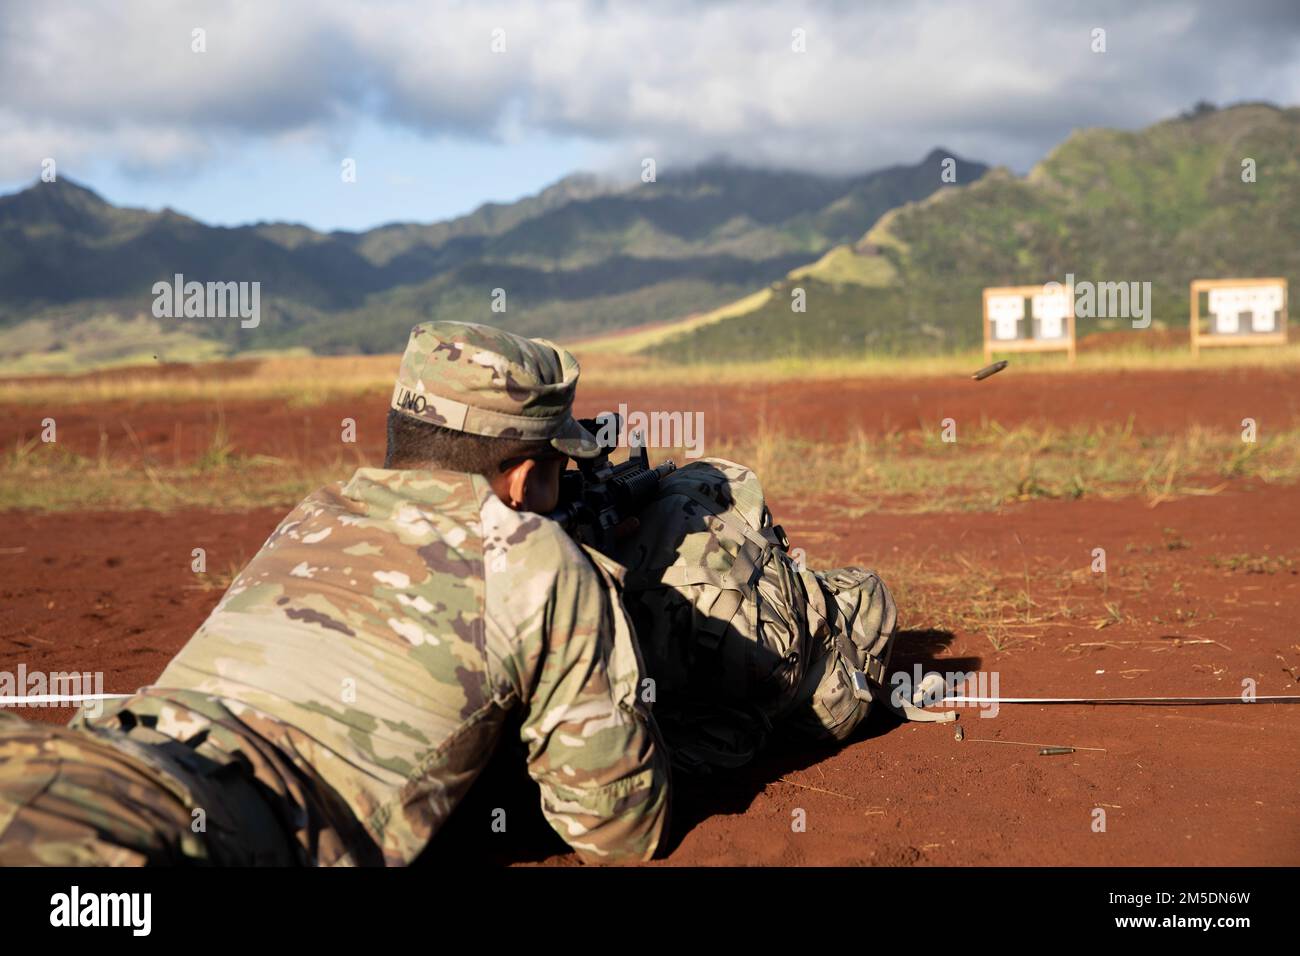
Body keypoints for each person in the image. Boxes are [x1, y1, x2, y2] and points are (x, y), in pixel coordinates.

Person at [0, 322, 671, 866]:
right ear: (524, 479)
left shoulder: (316, 513)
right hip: (189, 822)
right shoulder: (535, 560)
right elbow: (621, 833)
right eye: (558, 472)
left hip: (81, 749)